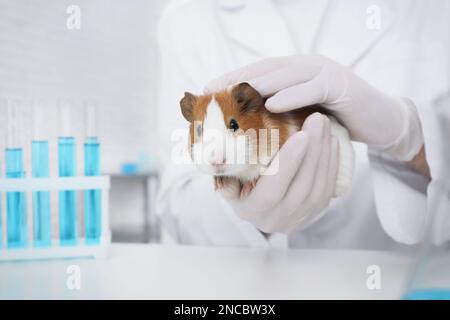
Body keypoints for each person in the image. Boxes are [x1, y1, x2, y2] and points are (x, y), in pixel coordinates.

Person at [156, 0, 450, 249]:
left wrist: (410, 134)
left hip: (393, 278)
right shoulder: (188, 15)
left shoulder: (430, 10)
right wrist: (246, 211)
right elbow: (177, 200)